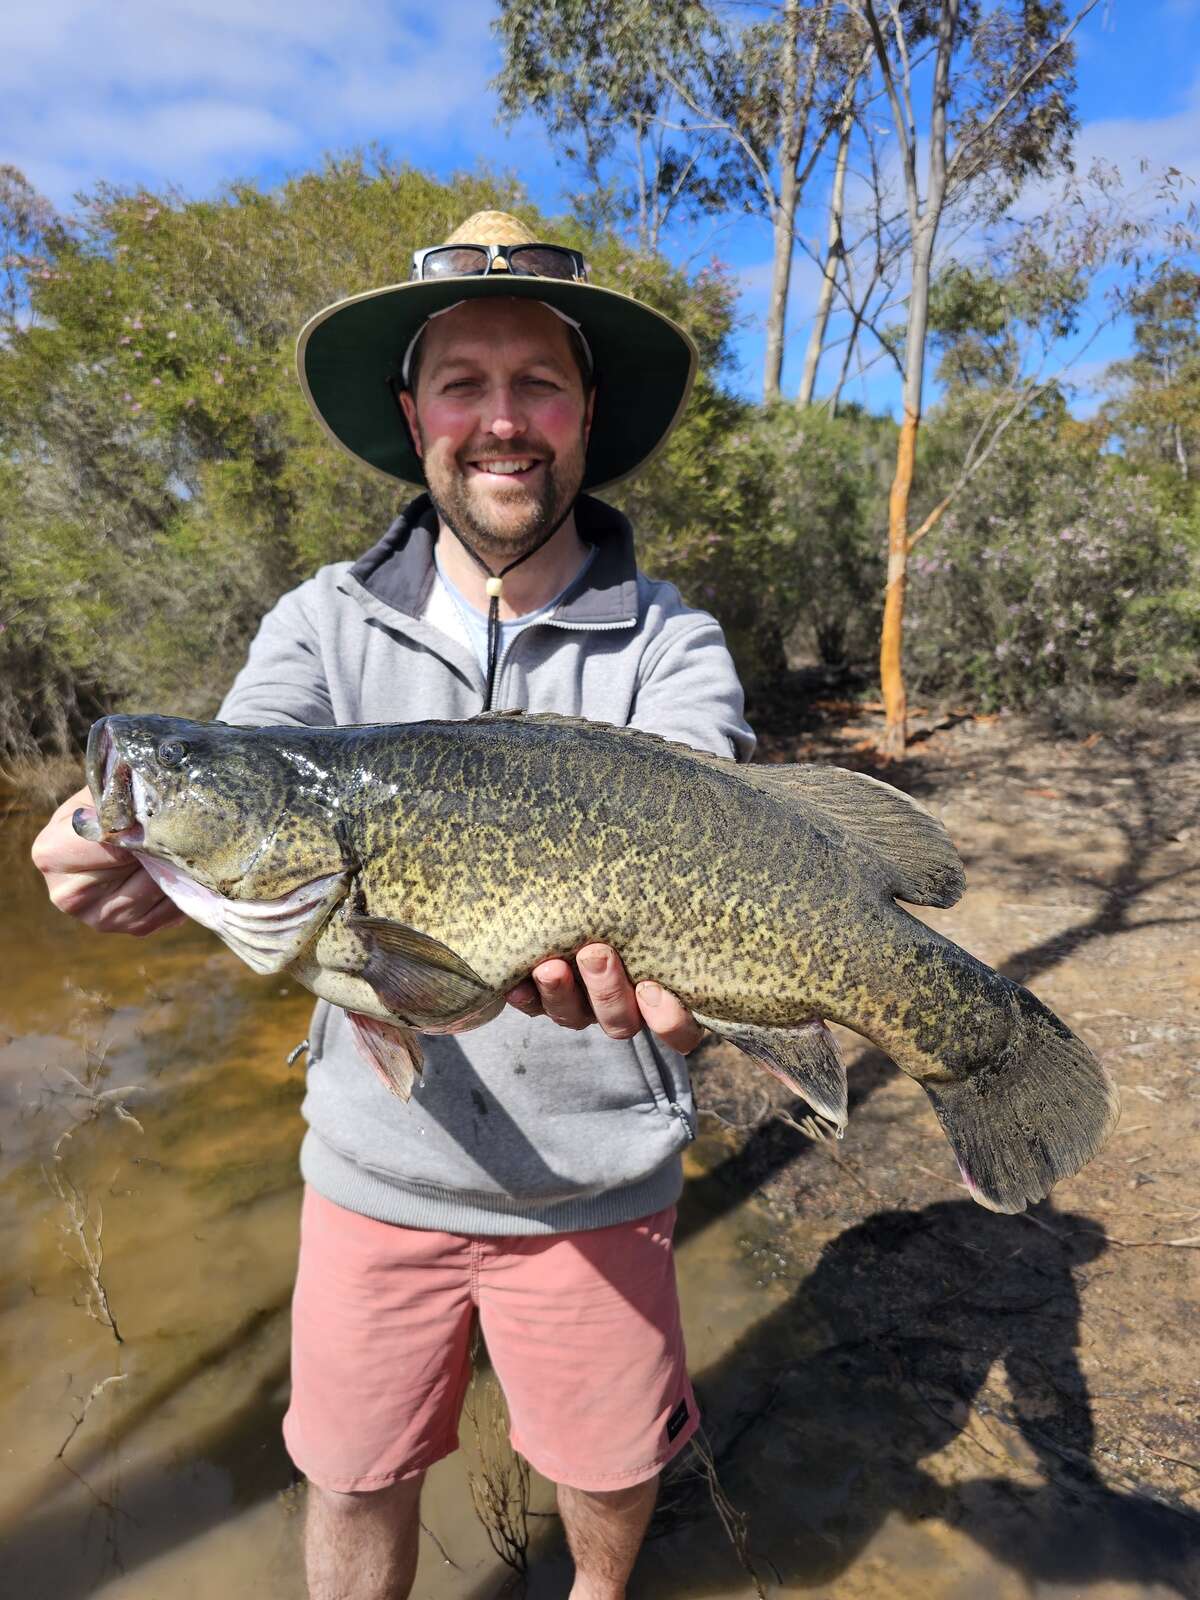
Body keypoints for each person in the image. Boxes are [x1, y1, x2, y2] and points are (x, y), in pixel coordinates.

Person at [32, 210, 755, 1600]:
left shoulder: (674, 640)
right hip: (372, 1181)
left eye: (537, 381)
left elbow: (705, 809)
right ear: (413, 412)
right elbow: (240, 763)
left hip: (599, 1188)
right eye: (464, 384)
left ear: (587, 412)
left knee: (604, 1467)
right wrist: (94, 829)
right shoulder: (320, 623)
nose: (502, 420)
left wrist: (710, 994)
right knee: (354, 1476)